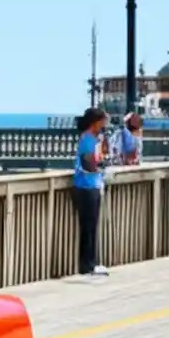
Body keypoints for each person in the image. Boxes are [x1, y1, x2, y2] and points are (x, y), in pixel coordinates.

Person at [73, 107, 109, 277]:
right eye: (102, 122)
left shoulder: (95, 139)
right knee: (87, 227)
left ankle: (91, 262)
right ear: (95, 122)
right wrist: (101, 164)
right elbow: (88, 164)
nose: (104, 125)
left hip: (94, 185)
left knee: (93, 226)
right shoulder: (87, 140)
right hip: (85, 187)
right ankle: (86, 264)